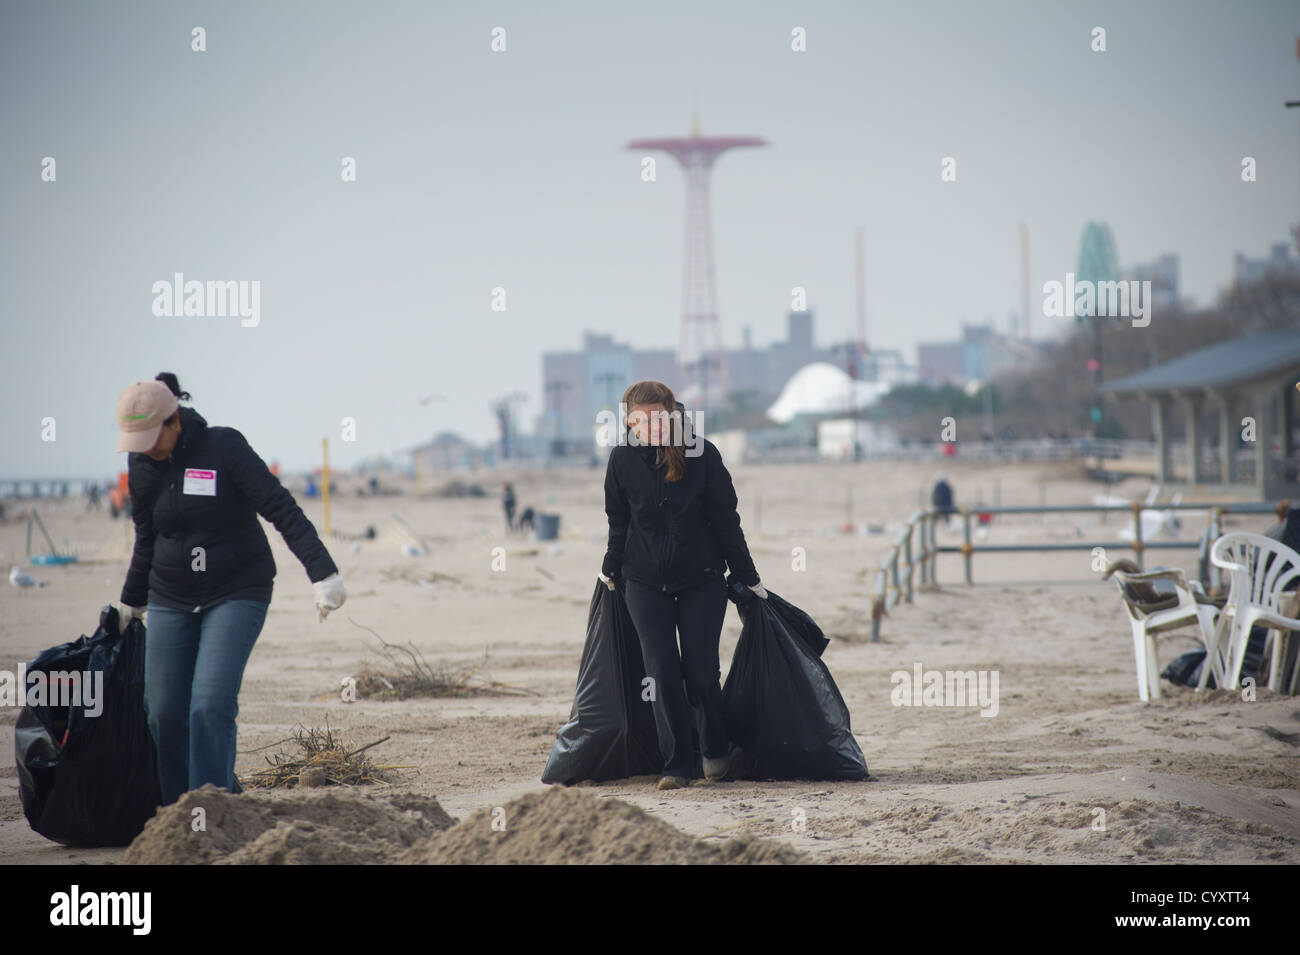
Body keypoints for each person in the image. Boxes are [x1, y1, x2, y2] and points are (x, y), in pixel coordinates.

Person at [116, 372, 348, 805]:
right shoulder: (142, 465)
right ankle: (176, 817)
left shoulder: (224, 447)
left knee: (209, 705)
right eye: (137, 441)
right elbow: (146, 535)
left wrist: (324, 574)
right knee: (164, 711)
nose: (146, 448)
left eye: (151, 437)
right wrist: (132, 601)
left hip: (237, 589)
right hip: (170, 594)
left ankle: (212, 809)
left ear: (175, 421)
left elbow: (280, 507)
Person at [599, 380, 767, 791]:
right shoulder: (621, 460)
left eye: (660, 417)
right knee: (660, 672)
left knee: (700, 671)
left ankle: (714, 749)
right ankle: (677, 764)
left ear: (672, 413)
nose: (652, 425)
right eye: (642, 419)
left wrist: (748, 576)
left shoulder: (703, 455)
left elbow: (727, 520)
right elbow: (619, 521)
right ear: (630, 421)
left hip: (702, 581)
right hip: (642, 581)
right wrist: (610, 565)